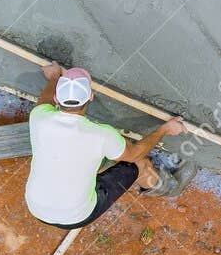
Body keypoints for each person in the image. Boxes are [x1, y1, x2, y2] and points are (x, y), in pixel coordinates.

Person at [24, 63, 183, 229]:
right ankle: (166, 188)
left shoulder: (40, 117)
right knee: (139, 164)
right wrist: (165, 129)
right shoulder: (101, 135)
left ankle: (103, 168)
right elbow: (134, 154)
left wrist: (54, 78)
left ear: (57, 98)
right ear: (91, 96)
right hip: (77, 215)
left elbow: (44, 100)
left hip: (37, 208)